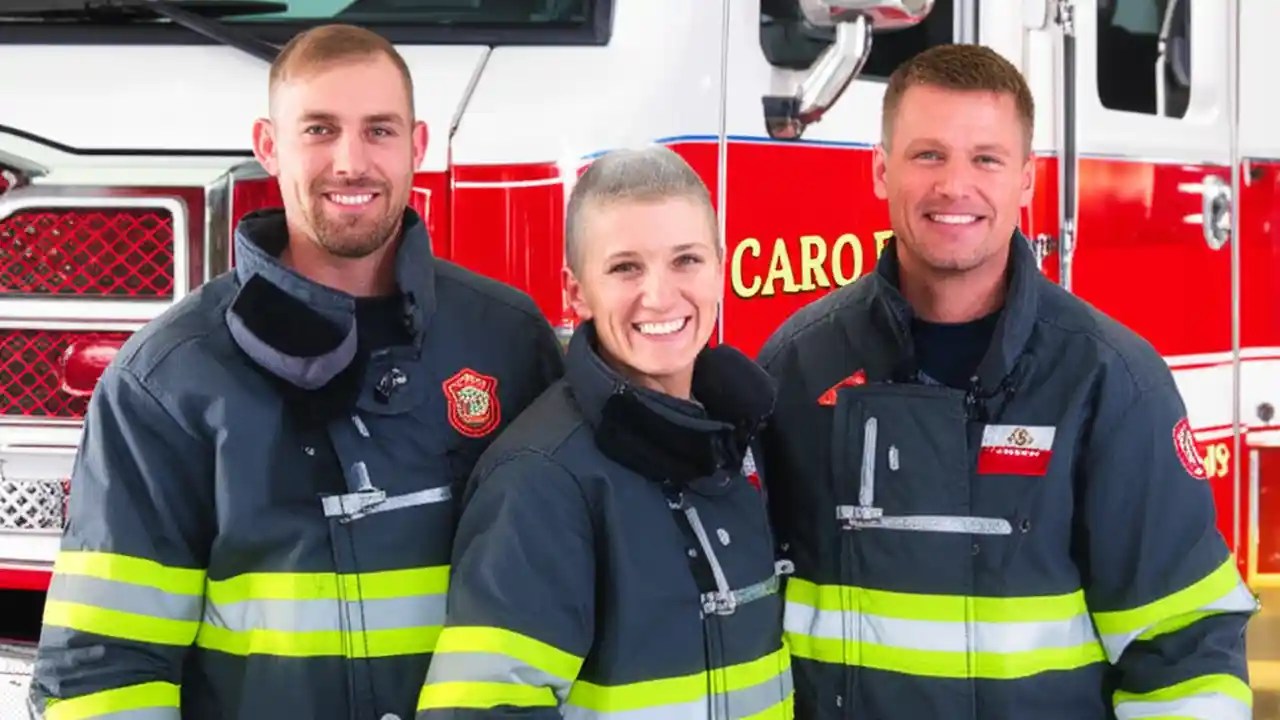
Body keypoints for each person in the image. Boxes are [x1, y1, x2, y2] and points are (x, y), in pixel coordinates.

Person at [29, 24, 563, 720]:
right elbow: (105, 672)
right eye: (319, 130)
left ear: (417, 147)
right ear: (268, 145)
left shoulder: (508, 341)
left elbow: (572, 604)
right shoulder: (166, 381)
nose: (351, 161)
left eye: (379, 131)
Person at [758, 44, 1259, 720]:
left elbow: (1184, 649)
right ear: (880, 170)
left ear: (1026, 180)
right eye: (927, 155)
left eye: (986, 159)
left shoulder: (1111, 382)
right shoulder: (797, 367)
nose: (953, 186)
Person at [413, 146, 793, 719]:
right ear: (575, 291)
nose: (660, 296)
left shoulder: (739, 442)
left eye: (685, 260)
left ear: (721, 266)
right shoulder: (543, 479)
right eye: (625, 267)